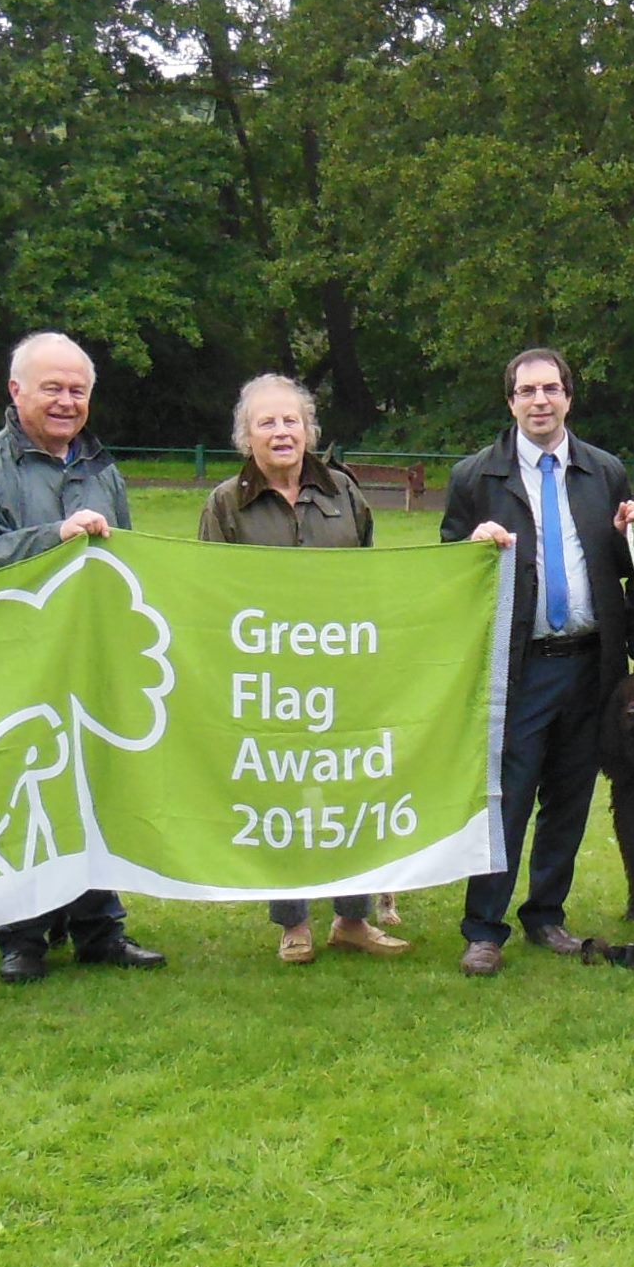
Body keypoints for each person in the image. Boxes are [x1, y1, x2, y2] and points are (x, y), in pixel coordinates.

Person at [0, 331, 168, 983]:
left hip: (91, 656)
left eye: (78, 389)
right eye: (53, 388)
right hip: (12, 657)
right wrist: (54, 537)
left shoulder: (102, 469)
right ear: (16, 391)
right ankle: (22, 936)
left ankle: (101, 928)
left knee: (94, 787)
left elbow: (125, 561)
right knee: (25, 790)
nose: (67, 401)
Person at [441, 347, 634, 976]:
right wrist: (470, 545)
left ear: (568, 397)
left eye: (551, 389)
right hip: (519, 666)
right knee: (507, 797)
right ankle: (484, 928)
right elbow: (447, 569)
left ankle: (546, 915)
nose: (540, 401)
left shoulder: (604, 472)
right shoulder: (477, 477)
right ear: (510, 402)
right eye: (527, 391)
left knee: (569, 797)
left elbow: (632, 570)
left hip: (591, 664)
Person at [200, 372, 409, 965]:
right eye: (266, 422)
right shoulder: (225, 503)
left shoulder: (344, 492)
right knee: (281, 789)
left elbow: (370, 575)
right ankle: (293, 922)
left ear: (308, 429)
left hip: (343, 667)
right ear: (247, 436)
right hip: (268, 674)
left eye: (290, 420)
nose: (281, 432)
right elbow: (206, 587)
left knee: (350, 784)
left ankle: (352, 917)